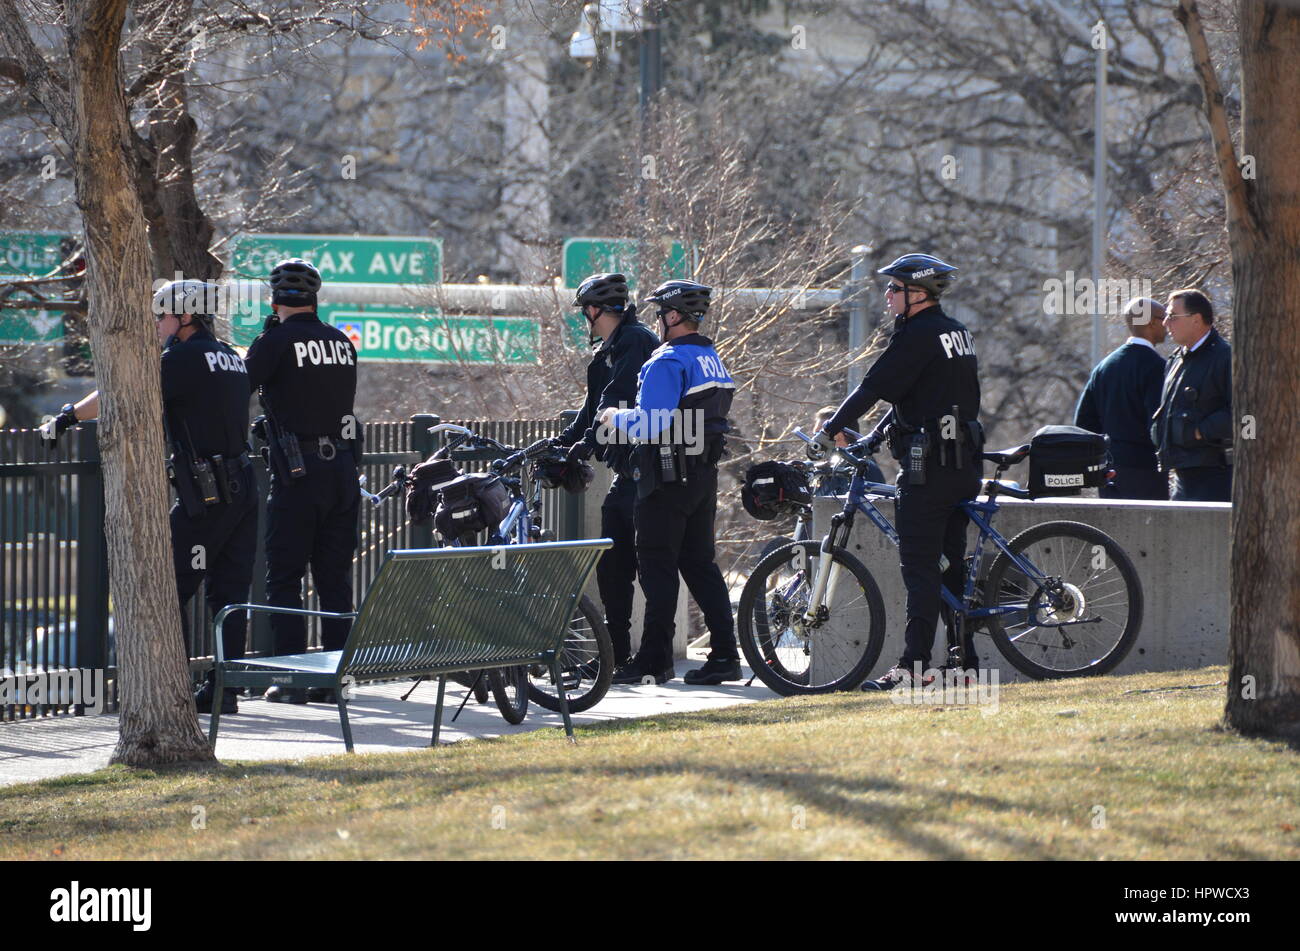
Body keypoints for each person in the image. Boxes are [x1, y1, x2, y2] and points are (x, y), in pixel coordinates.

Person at [41, 280, 257, 714]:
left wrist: (67, 416)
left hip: (208, 494)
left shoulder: (180, 359)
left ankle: (167, 689)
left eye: (163, 316)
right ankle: (225, 688)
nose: (158, 324)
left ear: (185, 318)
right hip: (243, 488)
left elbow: (121, 390)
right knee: (229, 595)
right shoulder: (232, 357)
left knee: (165, 586)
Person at [810, 253, 983, 691]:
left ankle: (914, 666)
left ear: (917, 294)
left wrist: (831, 431)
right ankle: (965, 664)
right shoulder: (953, 332)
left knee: (919, 569)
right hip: (962, 462)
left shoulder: (918, 335)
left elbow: (873, 388)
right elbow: (912, 397)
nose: (886, 296)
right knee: (949, 567)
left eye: (893, 288)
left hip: (929, 471)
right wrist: (873, 439)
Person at [596, 279, 740, 686]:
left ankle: (653, 661)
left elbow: (651, 423)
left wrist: (611, 417)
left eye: (662, 312)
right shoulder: (711, 358)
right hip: (702, 475)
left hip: (665, 476)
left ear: (674, 316)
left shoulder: (667, 361)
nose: (658, 319)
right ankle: (725, 656)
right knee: (699, 565)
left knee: (656, 567)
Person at [243, 258, 361, 703]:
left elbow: (241, 386)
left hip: (297, 473)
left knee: (285, 577)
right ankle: (335, 680)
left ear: (274, 300)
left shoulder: (274, 342)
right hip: (342, 472)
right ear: (315, 298)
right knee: (334, 579)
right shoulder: (341, 342)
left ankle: (291, 678)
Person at [553, 273, 660, 668]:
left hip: (643, 470)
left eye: (587, 311)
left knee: (642, 567)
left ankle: (643, 658)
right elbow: (593, 407)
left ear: (597, 309)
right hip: (624, 471)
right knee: (614, 567)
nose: (586, 318)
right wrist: (564, 441)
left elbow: (617, 399)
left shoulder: (634, 340)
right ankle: (616, 655)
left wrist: (588, 445)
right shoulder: (609, 349)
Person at [1074, 297, 1168, 500]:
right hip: (1146, 471)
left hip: (1109, 472)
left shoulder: (1104, 366)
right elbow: (1158, 423)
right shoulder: (1156, 367)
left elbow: (1083, 421)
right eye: (1165, 318)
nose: (1167, 324)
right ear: (1151, 322)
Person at [1151, 289, 1233, 502]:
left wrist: (1200, 431)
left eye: (1172, 316)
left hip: (1214, 476)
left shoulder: (1225, 358)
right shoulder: (1175, 360)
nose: (1165, 323)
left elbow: (1244, 415)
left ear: (1196, 320)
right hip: (1181, 475)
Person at [813, 406, 884, 498]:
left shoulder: (865, 468)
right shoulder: (819, 472)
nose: (818, 444)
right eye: (815, 436)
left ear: (850, 439)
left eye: (830, 439)